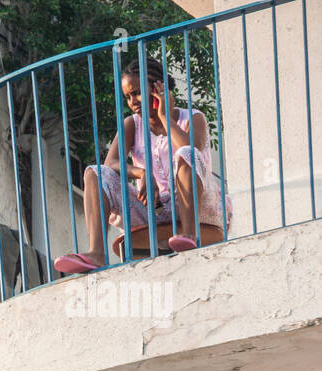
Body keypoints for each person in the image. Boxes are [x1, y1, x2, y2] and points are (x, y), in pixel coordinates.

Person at [55, 57, 229, 274]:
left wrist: (165, 115)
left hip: (197, 205)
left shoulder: (194, 118)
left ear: (157, 88)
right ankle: (96, 253)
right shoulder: (132, 125)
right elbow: (111, 163)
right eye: (128, 96)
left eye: (137, 92)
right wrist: (142, 173)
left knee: (186, 152)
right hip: (154, 208)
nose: (132, 101)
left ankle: (189, 234)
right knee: (96, 172)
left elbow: (192, 150)